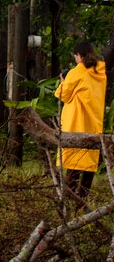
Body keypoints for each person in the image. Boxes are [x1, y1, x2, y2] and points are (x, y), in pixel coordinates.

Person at [54, 41, 107, 199]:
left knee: (74, 158)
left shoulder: (77, 72)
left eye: (75, 56)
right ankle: (83, 193)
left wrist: (63, 80)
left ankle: (70, 193)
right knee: (89, 157)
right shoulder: (100, 72)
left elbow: (63, 94)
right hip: (94, 120)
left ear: (79, 55)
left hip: (77, 119)